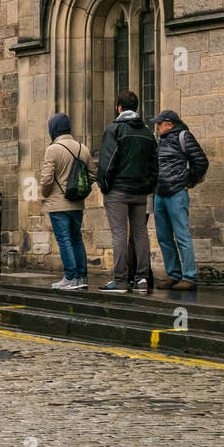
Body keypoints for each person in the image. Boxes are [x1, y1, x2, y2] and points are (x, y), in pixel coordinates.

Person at [96, 90, 159, 294]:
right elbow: (154, 164)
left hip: (118, 190)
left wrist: (104, 185)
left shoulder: (114, 129)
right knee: (141, 233)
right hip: (140, 191)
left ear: (119, 107)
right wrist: (147, 185)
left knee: (120, 234)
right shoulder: (147, 132)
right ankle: (141, 279)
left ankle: (121, 281)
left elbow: (107, 162)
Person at [152, 109, 208, 291]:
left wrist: (188, 181)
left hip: (177, 194)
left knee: (182, 235)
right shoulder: (160, 141)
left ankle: (189, 276)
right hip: (159, 194)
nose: (157, 127)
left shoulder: (184, 136)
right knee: (163, 237)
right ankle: (174, 274)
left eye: (159, 124)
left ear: (169, 124)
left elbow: (201, 161)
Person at [38, 113, 93, 290]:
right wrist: (79, 189)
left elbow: (46, 180)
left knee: (64, 239)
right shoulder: (82, 148)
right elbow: (93, 174)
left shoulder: (52, 150)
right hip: (77, 202)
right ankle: (82, 277)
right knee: (77, 238)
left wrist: (45, 193)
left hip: (57, 203)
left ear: (53, 129)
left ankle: (70, 277)